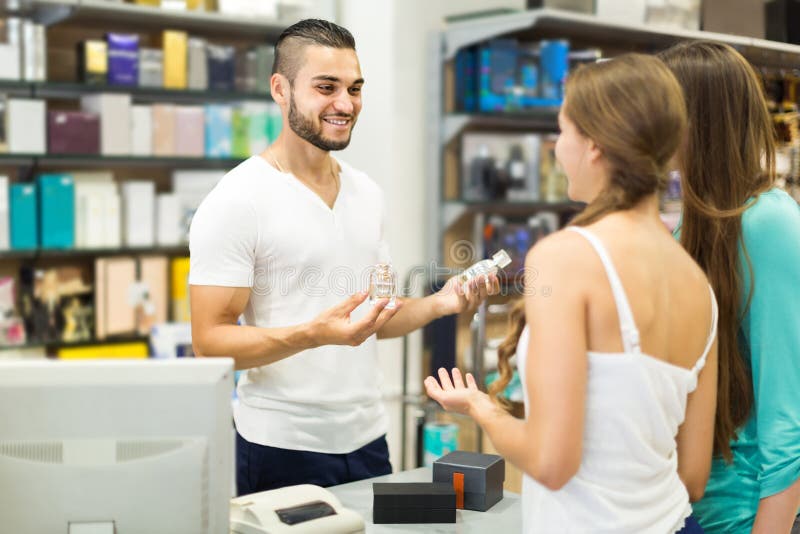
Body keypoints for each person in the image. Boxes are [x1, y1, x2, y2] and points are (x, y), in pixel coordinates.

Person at [189, 19, 498, 496]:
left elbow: (374, 318)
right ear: (280, 89)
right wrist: (313, 334)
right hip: (280, 446)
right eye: (326, 87)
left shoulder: (366, 193)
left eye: (354, 89)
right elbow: (209, 342)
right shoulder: (238, 199)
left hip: (368, 441)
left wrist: (442, 303)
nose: (346, 104)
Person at [425, 53, 718, 533]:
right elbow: (694, 476)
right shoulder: (699, 285)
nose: (557, 150)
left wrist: (480, 406)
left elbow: (551, 462)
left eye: (561, 132)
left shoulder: (568, 257)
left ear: (595, 145)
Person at [659, 41, 800, 534]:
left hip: (745, 516)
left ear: (696, 120)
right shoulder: (690, 226)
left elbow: (788, 409)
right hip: (686, 508)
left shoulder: (769, 224)